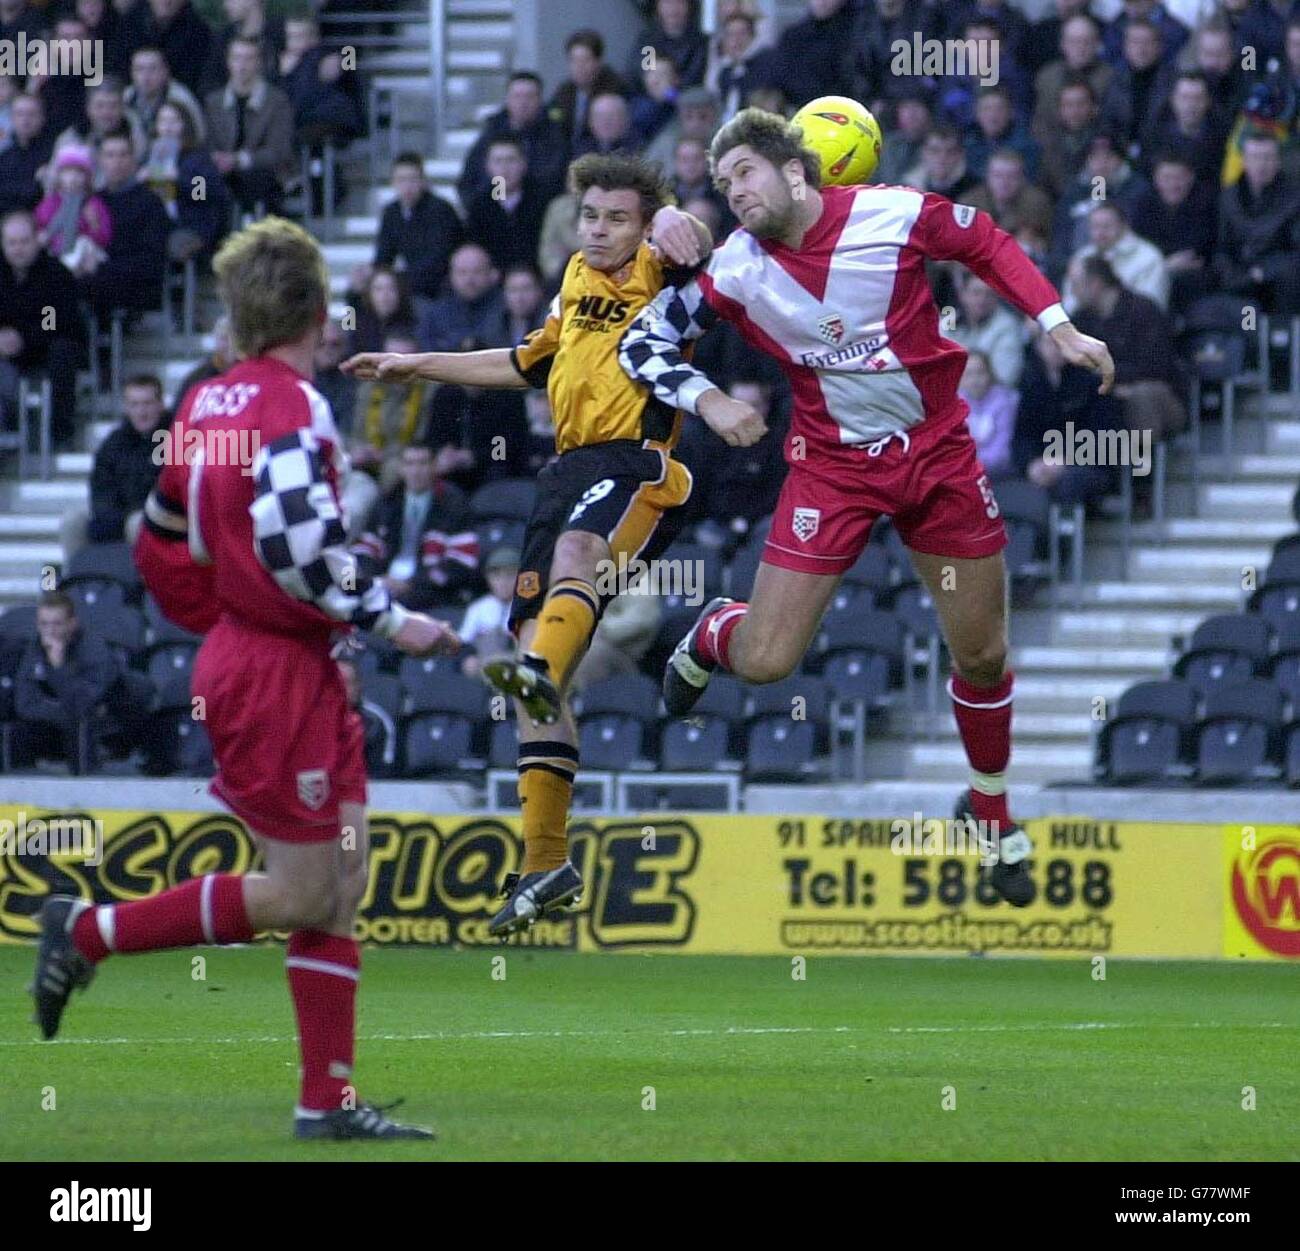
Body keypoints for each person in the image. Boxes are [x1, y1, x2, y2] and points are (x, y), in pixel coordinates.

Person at [620, 107, 1114, 906]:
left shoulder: (892, 213)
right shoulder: (737, 268)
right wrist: (707, 397)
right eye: (720, 183)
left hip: (938, 455)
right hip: (833, 471)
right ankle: (714, 629)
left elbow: (985, 238)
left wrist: (1058, 326)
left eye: (744, 171)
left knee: (983, 653)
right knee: (767, 662)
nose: (733, 192)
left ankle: (988, 809)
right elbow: (638, 343)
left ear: (795, 169)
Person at [33, 216, 457, 1142]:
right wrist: (390, 619)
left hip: (280, 655)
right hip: (276, 666)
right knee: (304, 891)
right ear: (312, 309)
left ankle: (326, 1100)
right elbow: (300, 546)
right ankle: (85, 933)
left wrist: (224, 611)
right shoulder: (291, 406)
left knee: (342, 880)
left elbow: (155, 539)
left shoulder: (207, 403)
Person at [343, 152, 709, 937]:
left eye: (617, 217)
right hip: (564, 473)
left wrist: (682, 223)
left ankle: (547, 665)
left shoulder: (662, 264)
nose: (600, 229)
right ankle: (546, 863)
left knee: (568, 584)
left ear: (644, 224)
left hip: (636, 463)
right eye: (591, 215)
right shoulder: (576, 277)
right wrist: (417, 365)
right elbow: (521, 363)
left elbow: (700, 247)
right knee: (531, 689)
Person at [351, 443, 479, 613]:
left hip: (429, 591)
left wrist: (411, 584)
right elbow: (364, 548)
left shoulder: (454, 503)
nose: (416, 471)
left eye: (422, 463)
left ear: (434, 466)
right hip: (384, 582)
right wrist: (377, 579)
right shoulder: (388, 500)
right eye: (409, 464)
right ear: (401, 468)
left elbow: (462, 561)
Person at [11, 591, 125, 774]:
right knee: (16, 728)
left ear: (72, 623)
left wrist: (58, 667)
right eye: (44, 624)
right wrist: (59, 710)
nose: (50, 631)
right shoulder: (34, 648)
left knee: (80, 722)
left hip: (95, 720)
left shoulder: (93, 650)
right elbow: (24, 703)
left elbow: (83, 703)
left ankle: (84, 784)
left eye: (57, 624)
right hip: (52, 720)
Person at [0, 209, 85, 447]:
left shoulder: (56, 275)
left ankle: (58, 434)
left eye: (24, 241)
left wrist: (23, 339)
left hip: (46, 350)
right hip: (4, 354)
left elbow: (57, 321)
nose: (18, 248)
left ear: (37, 239)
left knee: (63, 353)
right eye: (12, 243)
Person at [61, 373, 167, 560]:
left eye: (147, 403)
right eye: (134, 404)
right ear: (126, 407)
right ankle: (76, 582)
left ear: (160, 404)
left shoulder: (175, 438)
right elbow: (99, 486)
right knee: (72, 521)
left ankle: (145, 585)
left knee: (138, 522)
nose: (141, 412)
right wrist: (110, 515)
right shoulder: (114, 442)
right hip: (116, 515)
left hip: (155, 517)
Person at [204, 35, 295, 216]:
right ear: (228, 62)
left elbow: (278, 150)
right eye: (237, 58)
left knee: (254, 180)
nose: (242, 65)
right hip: (221, 172)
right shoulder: (213, 102)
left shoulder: (277, 101)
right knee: (198, 184)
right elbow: (208, 142)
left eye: (248, 58)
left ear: (259, 63)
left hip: (264, 173)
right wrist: (217, 159)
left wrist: (238, 160)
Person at [83, 132, 170, 316]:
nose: (117, 162)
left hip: (134, 285)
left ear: (133, 160)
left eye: (123, 155)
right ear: (100, 160)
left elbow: (151, 261)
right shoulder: (94, 201)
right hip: (97, 275)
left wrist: (103, 268)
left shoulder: (150, 202)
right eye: (110, 155)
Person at [138, 98, 231, 262]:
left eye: (174, 121)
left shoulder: (198, 157)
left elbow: (202, 194)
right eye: (163, 121)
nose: (167, 127)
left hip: (192, 225)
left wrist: (178, 178)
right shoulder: (151, 156)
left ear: (185, 125)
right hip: (158, 223)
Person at [458, 71, 568, 205]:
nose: (523, 103)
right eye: (517, 96)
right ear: (507, 99)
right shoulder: (492, 132)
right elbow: (470, 179)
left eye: (529, 97)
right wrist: (494, 206)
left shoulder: (554, 136)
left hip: (538, 213)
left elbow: (553, 180)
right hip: (491, 210)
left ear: (540, 100)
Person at [372, 152, 464, 304]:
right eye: (401, 180)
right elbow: (383, 256)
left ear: (423, 182)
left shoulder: (440, 210)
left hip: (441, 286)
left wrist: (400, 280)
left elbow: (438, 260)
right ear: (393, 183)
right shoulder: (392, 212)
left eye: (412, 180)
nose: (407, 186)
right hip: (409, 283)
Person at [462, 138, 549, 273]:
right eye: (498, 161)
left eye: (511, 160)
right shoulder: (479, 205)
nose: (504, 169)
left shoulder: (543, 200)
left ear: (523, 163)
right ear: (488, 166)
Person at [34, 146, 113, 273]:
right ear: (59, 175)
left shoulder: (93, 204)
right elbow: (40, 227)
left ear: (87, 177)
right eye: (68, 171)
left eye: (79, 172)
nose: (73, 177)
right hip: (55, 253)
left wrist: (94, 225)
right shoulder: (50, 203)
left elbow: (104, 237)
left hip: (85, 257)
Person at [957, 350, 1017, 479]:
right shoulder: (957, 403)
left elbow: (1002, 451)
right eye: (968, 374)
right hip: (966, 470)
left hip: (998, 473)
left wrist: (970, 464)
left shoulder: (1004, 402)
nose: (975, 380)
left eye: (980, 373)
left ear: (990, 374)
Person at [459, 546, 518, 675]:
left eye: (510, 576)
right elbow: (464, 642)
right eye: (497, 576)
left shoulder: (527, 607)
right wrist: (468, 659)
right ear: (488, 578)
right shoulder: (478, 608)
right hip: (484, 669)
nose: (503, 582)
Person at [0, 94, 52, 215]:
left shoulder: (53, 154)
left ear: (42, 117)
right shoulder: (4, 156)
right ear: (11, 118)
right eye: (20, 114)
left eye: (32, 114)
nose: (25, 120)